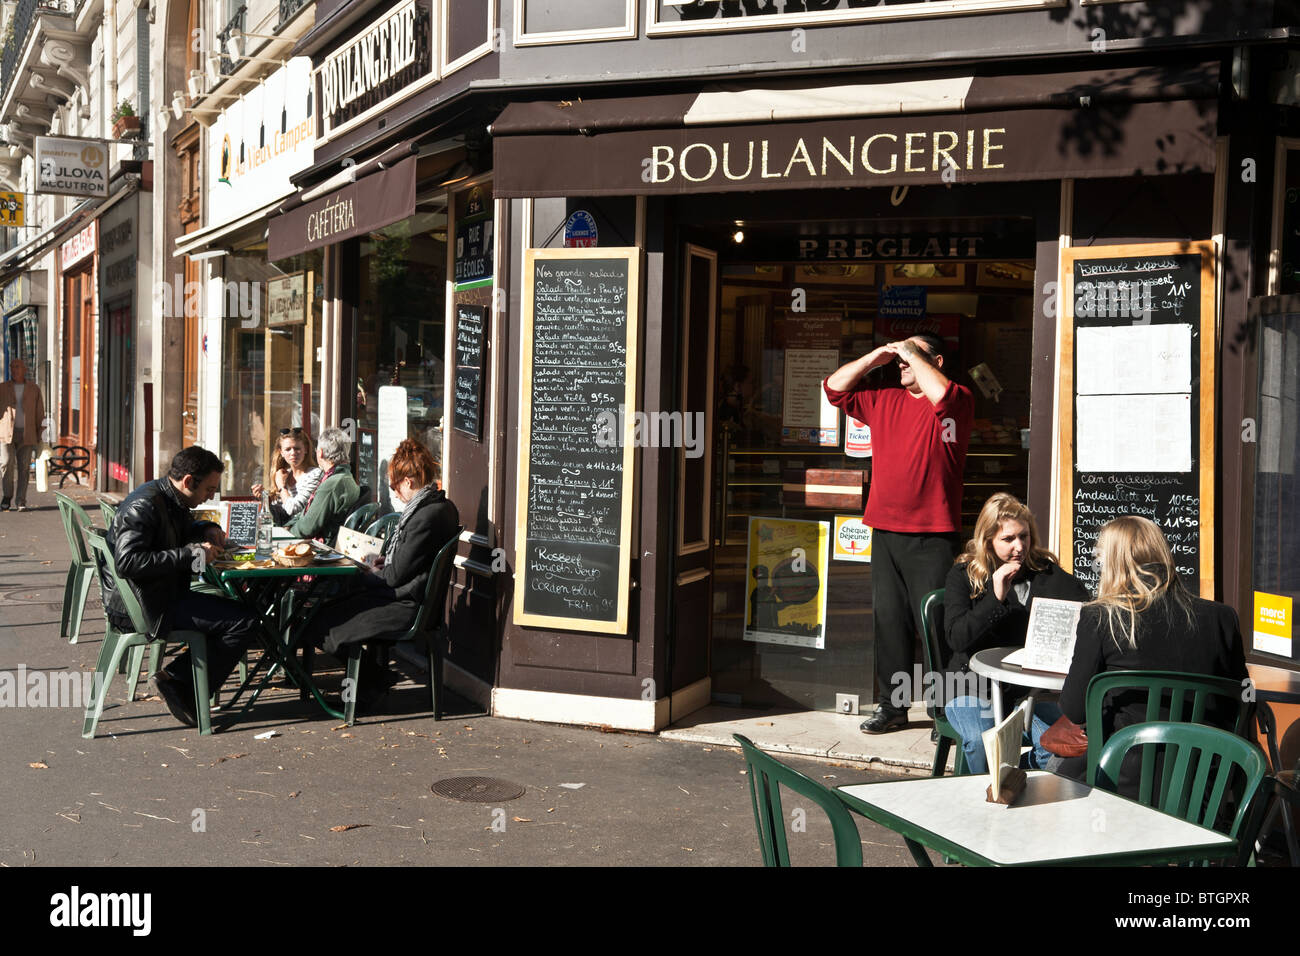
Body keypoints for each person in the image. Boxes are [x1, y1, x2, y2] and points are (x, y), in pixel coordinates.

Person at [824, 333, 974, 734]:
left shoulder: (956, 399)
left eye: (913, 356)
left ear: (937, 360)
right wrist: (875, 357)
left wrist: (908, 350)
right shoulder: (883, 399)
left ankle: (947, 713)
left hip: (933, 534)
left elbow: (940, 393)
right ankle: (893, 708)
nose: (902, 363)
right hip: (886, 532)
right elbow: (834, 389)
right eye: (901, 358)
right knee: (890, 623)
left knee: (938, 627)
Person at [1053, 516, 1249, 792]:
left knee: (1050, 772)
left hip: (1122, 780)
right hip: (1205, 784)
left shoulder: (1101, 618)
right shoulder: (1222, 618)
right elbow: (1242, 697)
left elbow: (1073, 708)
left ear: (1112, 564)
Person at [104, 446, 259, 727]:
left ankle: (177, 680)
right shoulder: (146, 505)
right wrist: (190, 554)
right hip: (144, 606)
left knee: (237, 614)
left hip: (157, 595)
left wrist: (203, 529)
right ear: (189, 481)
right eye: (209, 489)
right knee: (244, 621)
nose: (211, 496)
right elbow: (127, 561)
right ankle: (180, 684)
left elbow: (180, 527)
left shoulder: (168, 496)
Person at [942, 493, 1090, 773]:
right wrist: (994, 598)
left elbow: (1084, 604)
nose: (1019, 546)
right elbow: (957, 637)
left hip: (1028, 693)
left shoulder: (1044, 574)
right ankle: (988, 795)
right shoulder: (964, 576)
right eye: (1008, 539)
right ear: (988, 541)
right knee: (980, 741)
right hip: (971, 686)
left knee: (1064, 747)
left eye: (1024, 536)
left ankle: (1012, 775)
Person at [304, 439, 459, 704]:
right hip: (409, 597)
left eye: (394, 485)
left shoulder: (424, 516)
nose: (395, 493)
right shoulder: (438, 507)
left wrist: (368, 572)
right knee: (326, 614)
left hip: (405, 604)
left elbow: (396, 576)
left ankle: (373, 680)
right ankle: (375, 680)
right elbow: (409, 562)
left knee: (323, 623)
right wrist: (383, 563)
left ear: (408, 481)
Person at [284, 426, 360, 543]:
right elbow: (306, 514)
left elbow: (307, 527)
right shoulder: (343, 477)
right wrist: (289, 525)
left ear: (320, 453)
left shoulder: (333, 484)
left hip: (324, 549)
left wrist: (286, 532)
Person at [0, 358, 45, 512]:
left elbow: (40, 412)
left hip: (27, 433)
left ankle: (21, 500)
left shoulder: (34, 389)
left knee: (24, 467)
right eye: (12, 367)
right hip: (6, 432)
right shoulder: (2, 388)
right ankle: (7, 496)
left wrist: (40, 434)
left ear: (25, 369)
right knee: (6, 463)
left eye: (17, 367)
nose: (14, 369)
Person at [252, 427, 321, 522]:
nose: (293, 453)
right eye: (288, 449)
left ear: (306, 449)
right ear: (281, 452)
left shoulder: (315, 474)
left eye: (297, 449)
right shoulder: (284, 474)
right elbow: (279, 514)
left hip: (302, 535)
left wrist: (282, 487)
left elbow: (292, 509)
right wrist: (264, 498)